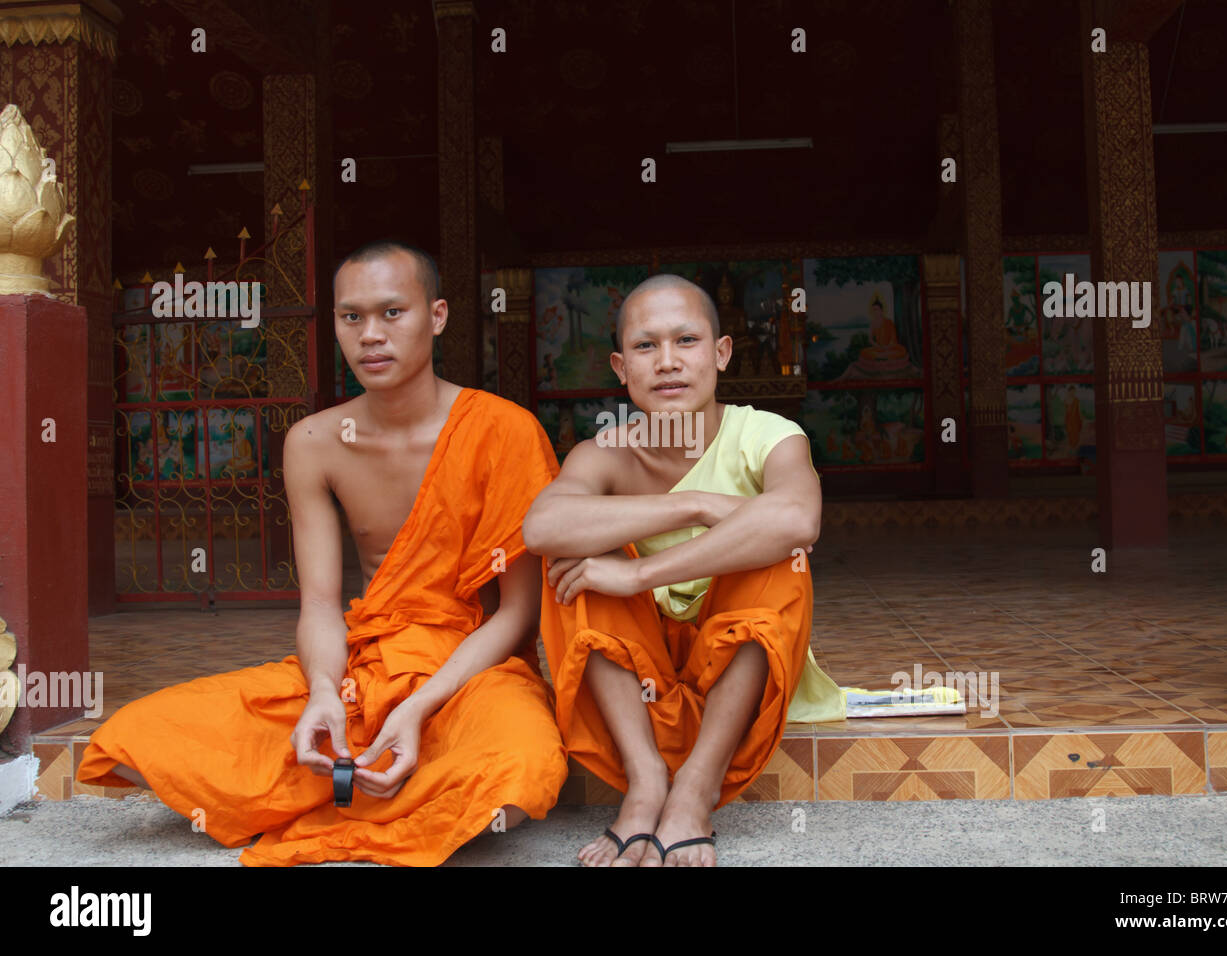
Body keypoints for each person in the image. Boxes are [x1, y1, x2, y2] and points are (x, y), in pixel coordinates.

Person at [78, 240, 568, 866]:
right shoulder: (314, 443)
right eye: (352, 317)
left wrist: (420, 705)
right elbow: (318, 604)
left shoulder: (504, 429)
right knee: (138, 739)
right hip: (364, 667)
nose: (371, 335)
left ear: (437, 316)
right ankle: (394, 788)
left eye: (394, 313)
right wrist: (323, 695)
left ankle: (340, 793)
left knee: (518, 773)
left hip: (473, 676)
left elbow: (517, 615)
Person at [524, 273, 822, 867]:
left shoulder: (767, 436)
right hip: (642, 661)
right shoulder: (603, 453)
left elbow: (796, 522)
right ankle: (646, 779)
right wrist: (695, 504)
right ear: (620, 366)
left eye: (686, 341)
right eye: (645, 346)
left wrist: (639, 575)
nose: (667, 362)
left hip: (734, 657)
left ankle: (696, 787)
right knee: (574, 561)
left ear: (721, 353)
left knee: (779, 559)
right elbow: (542, 529)